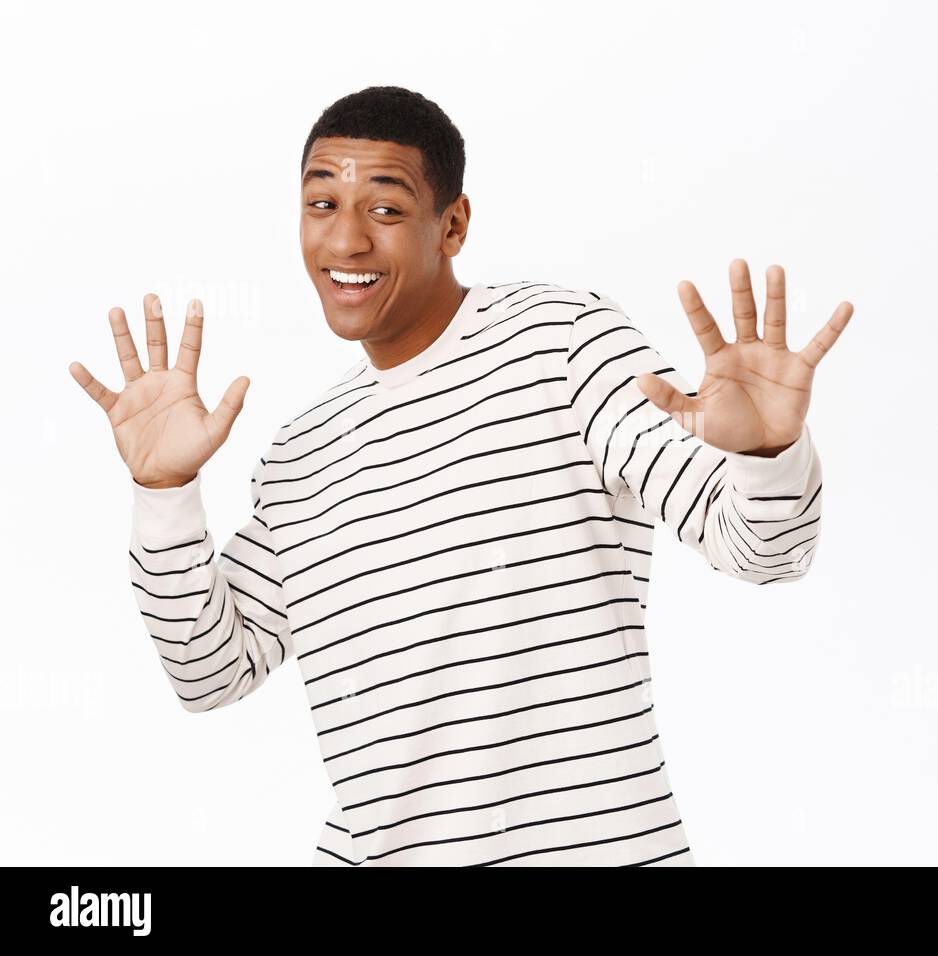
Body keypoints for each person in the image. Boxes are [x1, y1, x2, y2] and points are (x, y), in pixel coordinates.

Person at [68, 86, 853, 866]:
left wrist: (763, 454)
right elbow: (210, 672)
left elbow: (764, 551)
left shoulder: (563, 345)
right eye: (320, 205)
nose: (345, 242)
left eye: (384, 209)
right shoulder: (300, 455)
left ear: (452, 225)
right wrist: (164, 497)